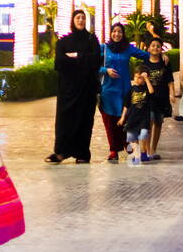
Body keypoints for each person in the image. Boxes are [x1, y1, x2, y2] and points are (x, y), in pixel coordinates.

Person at [47, 9, 101, 164]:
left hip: (86, 90)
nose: (81, 20)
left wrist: (76, 56)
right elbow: (59, 63)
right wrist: (84, 60)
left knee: (84, 121)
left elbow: (96, 61)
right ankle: (60, 153)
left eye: (83, 18)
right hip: (68, 91)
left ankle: (82, 153)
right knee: (64, 121)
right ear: (73, 20)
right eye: (78, 17)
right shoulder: (63, 42)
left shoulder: (92, 40)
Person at [99, 22, 150, 163]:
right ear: (110, 33)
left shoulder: (127, 48)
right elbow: (91, 64)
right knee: (110, 122)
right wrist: (105, 70)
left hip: (125, 91)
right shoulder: (104, 48)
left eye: (120, 31)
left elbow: (146, 55)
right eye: (114, 31)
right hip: (108, 91)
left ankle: (126, 143)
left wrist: (160, 56)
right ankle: (113, 150)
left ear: (123, 34)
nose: (117, 34)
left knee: (127, 119)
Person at [140, 36, 174, 160]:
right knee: (148, 124)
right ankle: (147, 150)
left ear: (161, 49)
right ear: (148, 48)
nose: (155, 48)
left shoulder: (165, 63)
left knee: (158, 123)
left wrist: (172, 94)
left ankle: (154, 149)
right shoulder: (144, 64)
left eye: (158, 46)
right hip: (148, 99)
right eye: (153, 46)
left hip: (162, 98)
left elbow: (170, 80)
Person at [120, 70, 154, 164]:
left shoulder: (146, 88)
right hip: (132, 117)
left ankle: (143, 153)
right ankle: (137, 154)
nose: (137, 79)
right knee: (132, 138)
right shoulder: (131, 90)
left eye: (139, 77)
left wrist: (146, 78)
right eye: (135, 77)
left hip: (144, 117)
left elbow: (151, 91)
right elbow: (126, 105)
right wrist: (123, 117)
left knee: (143, 135)